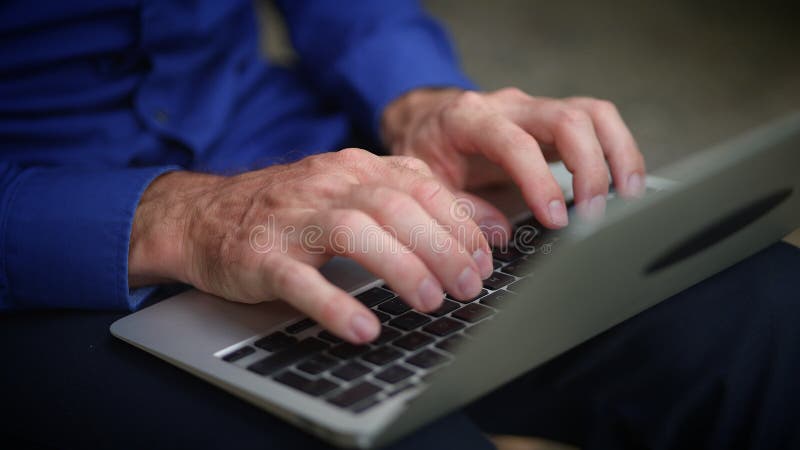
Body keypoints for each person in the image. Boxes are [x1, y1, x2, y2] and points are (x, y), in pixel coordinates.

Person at [3, 2, 798, 450]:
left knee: (766, 314)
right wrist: (173, 216)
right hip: (50, 267)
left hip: (295, 146)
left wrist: (415, 99)